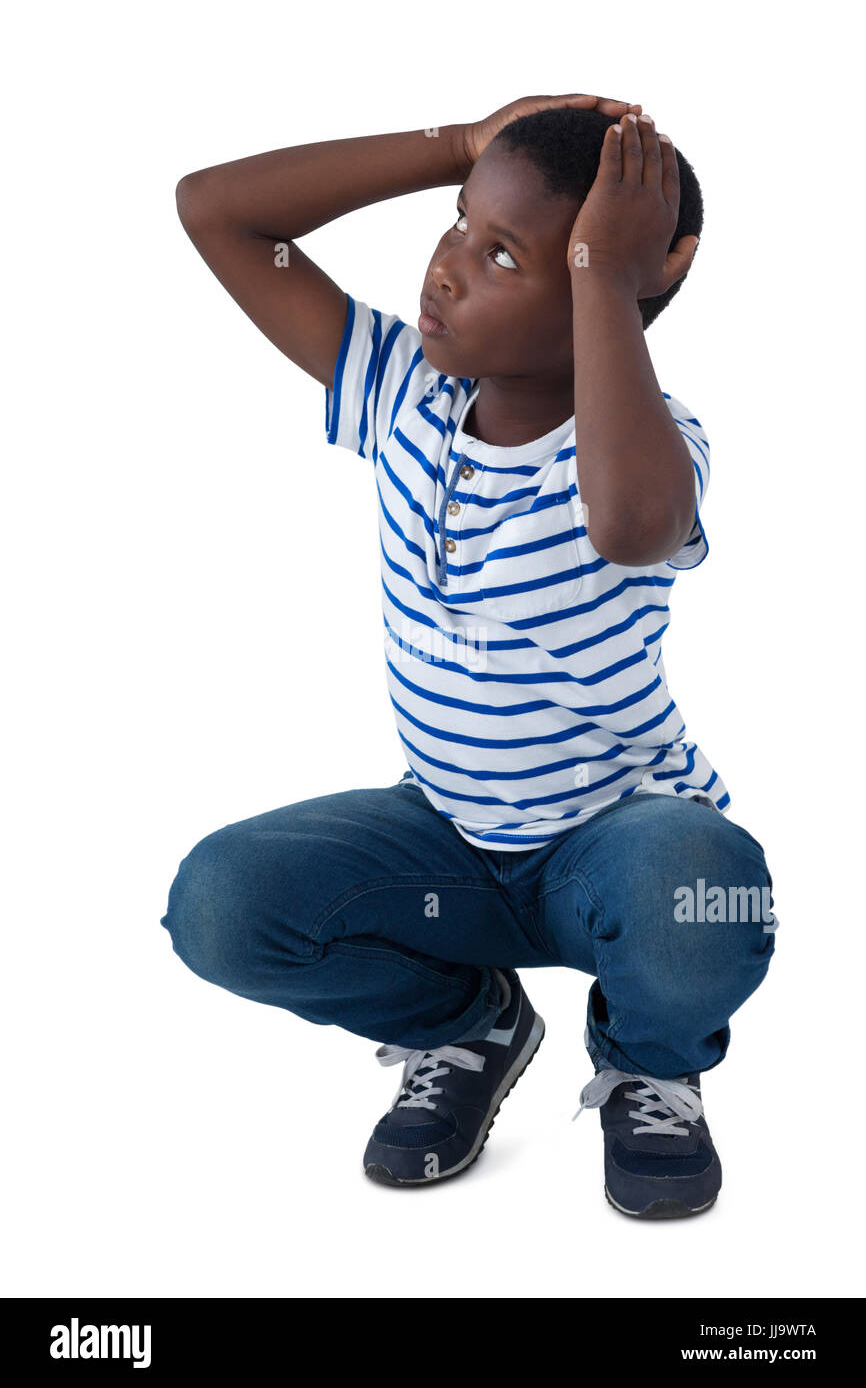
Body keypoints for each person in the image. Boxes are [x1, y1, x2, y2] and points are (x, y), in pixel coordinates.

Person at [162, 93, 776, 1218]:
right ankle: (471, 1025)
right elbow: (215, 211)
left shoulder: (645, 437)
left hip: (612, 855)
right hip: (446, 846)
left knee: (713, 893)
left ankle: (651, 1065)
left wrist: (603, 274)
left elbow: (632, 526)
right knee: (218, 904)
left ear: (610, 286)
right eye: (456, 225)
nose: (447, 269)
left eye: (500, 254)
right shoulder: (407, 395)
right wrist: (458, 148)